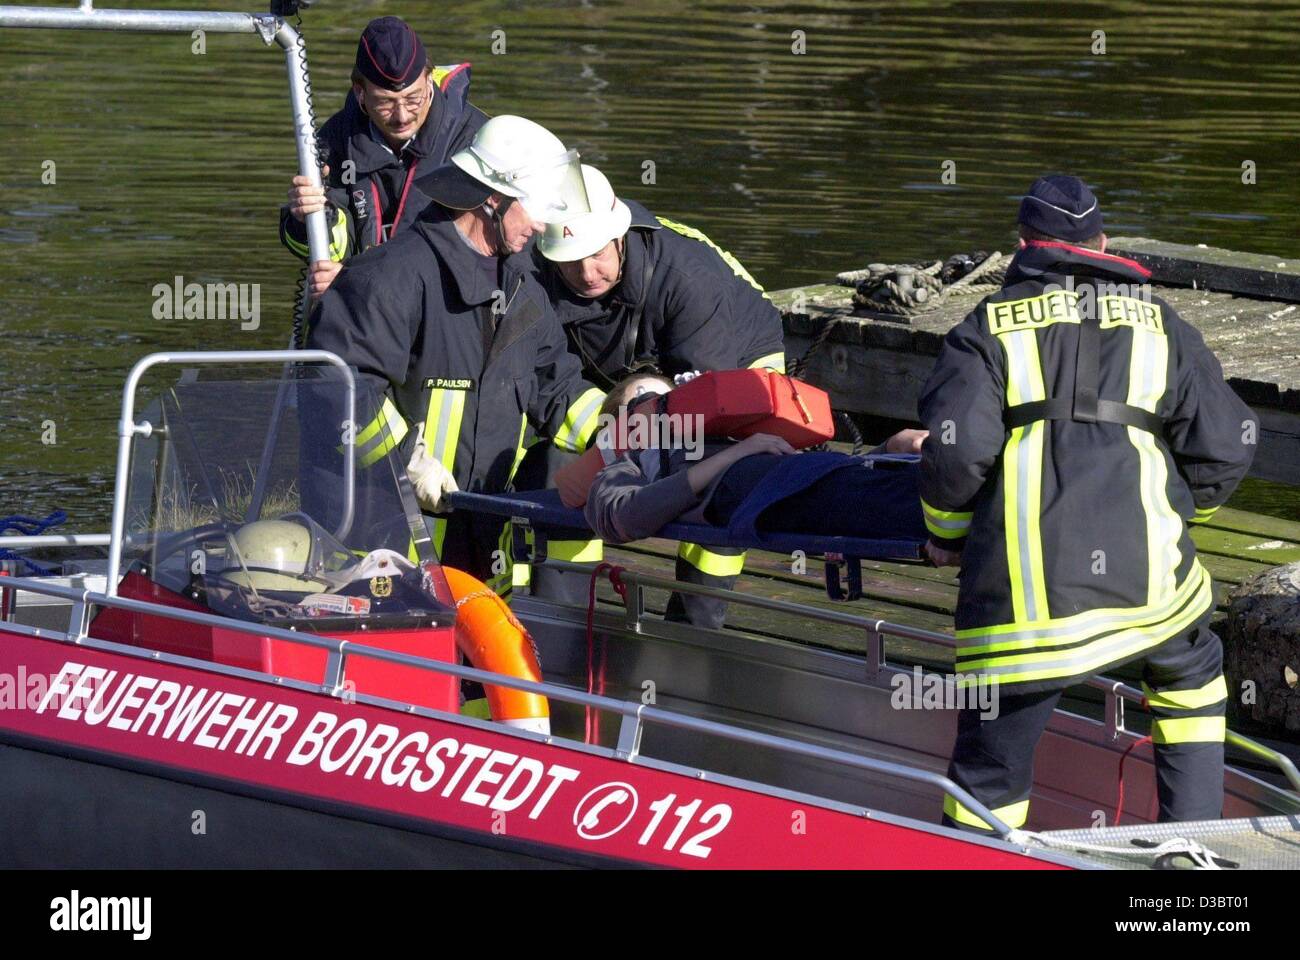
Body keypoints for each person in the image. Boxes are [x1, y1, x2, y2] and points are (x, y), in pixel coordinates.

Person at [917, 175, 1258, 832]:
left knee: (991, 762)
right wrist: (1181, 520)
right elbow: (1226, 447)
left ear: (1023, 245)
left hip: (1025, 607)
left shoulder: (983, 329)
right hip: (1155, 588)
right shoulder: (1164, 325)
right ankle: (1191, 843)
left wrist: (949, 535)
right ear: (1102, 244)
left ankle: (978, 849)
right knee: (1192, 670)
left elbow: (958, 456)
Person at [305, 115, 604, 594]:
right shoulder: (392, 277)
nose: (544, 223)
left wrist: (628, 431)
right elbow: (337, 389)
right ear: (493, 197)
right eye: (536, 207)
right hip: (388, 554)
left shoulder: (522, 286)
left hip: (481, 547)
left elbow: (558, 387)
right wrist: (407, 460)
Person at [520, 164, 788, 628]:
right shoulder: (530, 278)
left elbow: (708, 401)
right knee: (556, 465)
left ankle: (694, 625)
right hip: (618, 386)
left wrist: (641, 442)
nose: (586, 273)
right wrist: (611, 439)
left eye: (598, 254)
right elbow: (545, 380)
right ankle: (560, 618)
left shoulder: (689, 279)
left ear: (620, 235)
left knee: (722, 476)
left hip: (730, 370)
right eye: (570, 260)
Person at [580, 373, 928, 546]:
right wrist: (737, 452)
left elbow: (823, 475)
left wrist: (886, 450)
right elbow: (624, 517)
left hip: (803, 478)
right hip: (754, 493)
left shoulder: (735, 431)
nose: (663, 406)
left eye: (668, 398)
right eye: (646, 403)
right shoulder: (626, 465)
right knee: (898, 498)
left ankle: (961, 481)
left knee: (903, 466)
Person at [281, 16, 488, 299]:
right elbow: (331, 251)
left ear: (429, 81)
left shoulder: (476, 140)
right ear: (360, 93)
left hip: (446, 307)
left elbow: (478, 256)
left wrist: (357, 278)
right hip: (365, 306)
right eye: (385, 102)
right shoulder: (333, 142)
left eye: (413, 98)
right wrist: (306, 219)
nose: (402, 116)